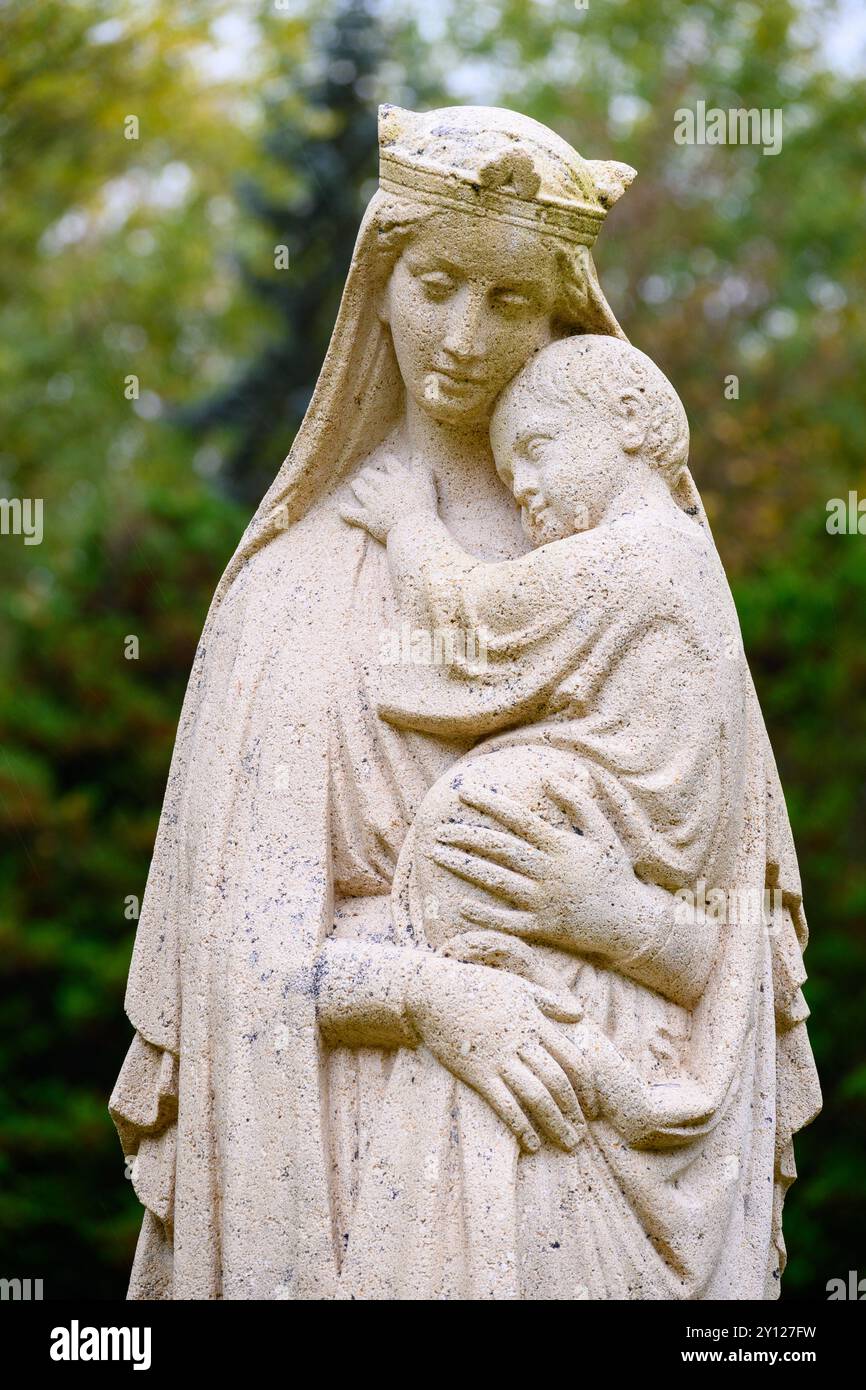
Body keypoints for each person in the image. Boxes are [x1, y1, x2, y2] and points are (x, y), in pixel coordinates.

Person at [110, 105, 820, 1300]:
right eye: (436, 283)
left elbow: (736, 960)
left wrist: (606, 916)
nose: (463, 335)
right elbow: (232, 966)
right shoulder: (291, 592)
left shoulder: (654, 585)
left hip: (622, 1162)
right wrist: (433, 999)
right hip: (391, 1180)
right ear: (379, 280)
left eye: (511, 302)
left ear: (563, 320)